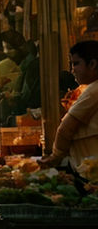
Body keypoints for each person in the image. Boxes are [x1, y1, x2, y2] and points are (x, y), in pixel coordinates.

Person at [42, 40, 98, 171]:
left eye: (76, 64)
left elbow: (65, 128)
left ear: (92, 64)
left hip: (88, 171)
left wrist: (56, 156)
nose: (73, 70)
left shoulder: (93, 91)